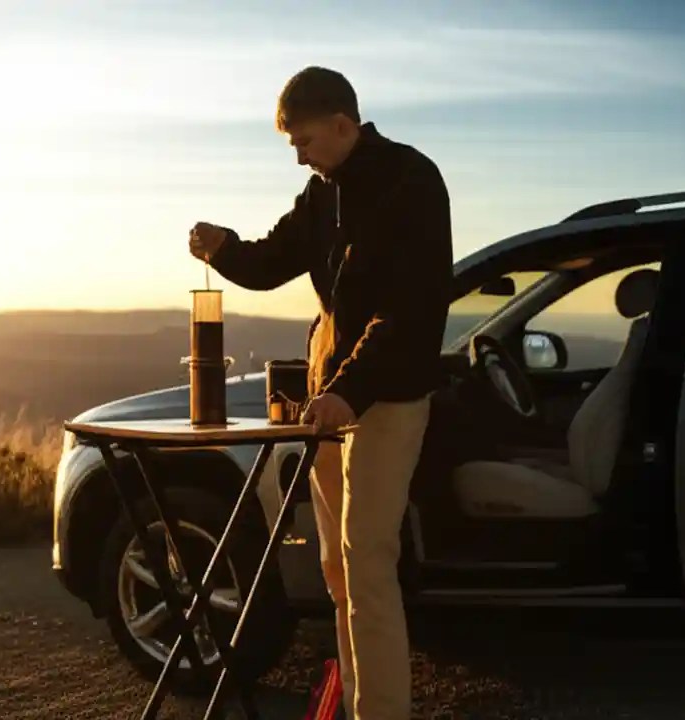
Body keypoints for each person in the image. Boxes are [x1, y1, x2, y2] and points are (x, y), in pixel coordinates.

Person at [188, 66, 453, 720]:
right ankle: (358, 704)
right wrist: (224, 250)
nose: (299, 157)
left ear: (342, 124)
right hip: (327, 400)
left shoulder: (411, 182)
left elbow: (410, 308)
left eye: (304, 142)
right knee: (337, 570)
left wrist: (350, 390)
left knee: (367, 566)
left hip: (384, 397)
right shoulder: (320, 195)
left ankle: (381, 712)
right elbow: (272, 260)